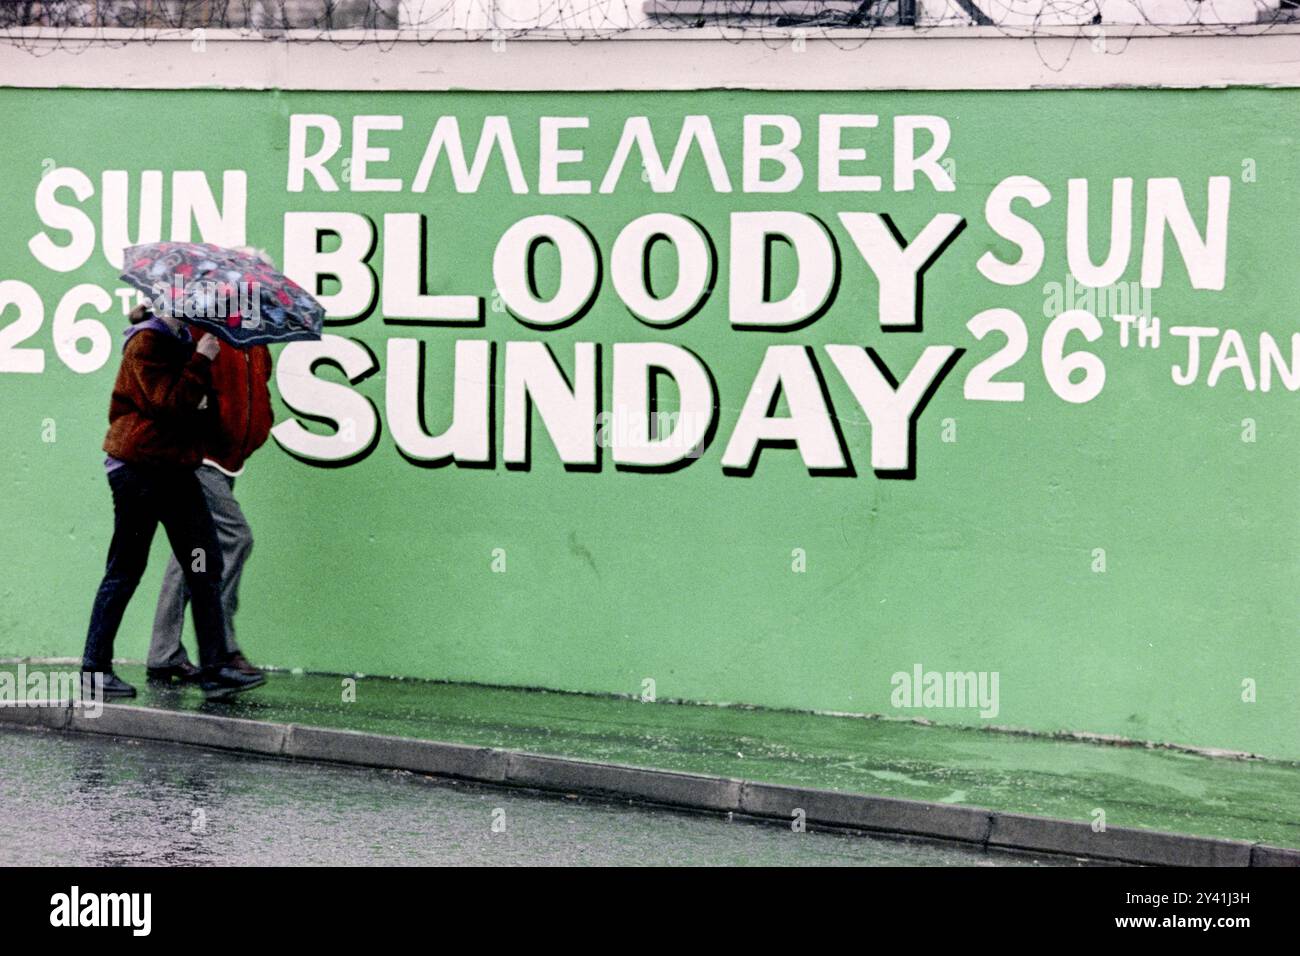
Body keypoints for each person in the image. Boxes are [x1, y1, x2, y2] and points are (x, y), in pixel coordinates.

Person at [81, 303, 265, 702]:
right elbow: (168, 402)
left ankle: (215, 668)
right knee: (126, 568)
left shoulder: (181, 340)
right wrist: (201, 361)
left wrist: (202, 389)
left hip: (177, 471)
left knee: (205, 563)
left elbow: (197, 408)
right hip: (138, 471)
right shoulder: (146, 342)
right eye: (191, 303)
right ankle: (94, 669)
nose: (201, 311)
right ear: (171, 304)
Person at [145, 299, 273, 685]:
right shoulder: (202, 327)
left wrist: (260, 423)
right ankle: (222, 649)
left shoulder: (254, 338)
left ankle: (163, 654)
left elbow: (258, 388)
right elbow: (167, 368)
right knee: (235, 539)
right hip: (197, 457)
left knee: (190, 555)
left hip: (227, 458)